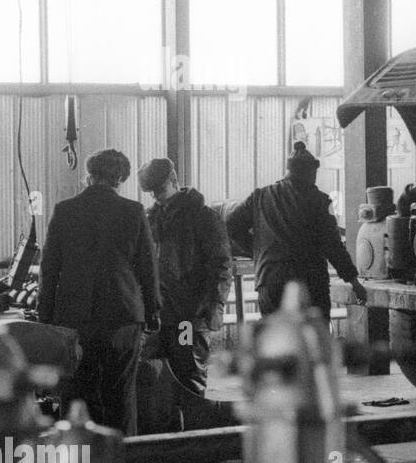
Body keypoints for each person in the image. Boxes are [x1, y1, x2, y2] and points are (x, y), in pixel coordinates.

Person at [38, 149, 160, 435]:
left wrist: (46, 317)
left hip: (75, 318)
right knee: (121, 396)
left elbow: (49, 268)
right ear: (121, 178)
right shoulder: (133, 211)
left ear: (88, 176)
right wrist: (153, 310)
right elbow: (147, 267)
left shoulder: (65, 210)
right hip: (123, 315)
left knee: (78, 392)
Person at [226, 141, 367, 319]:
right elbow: (333, 246)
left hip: (270, 282)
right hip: (309, 284)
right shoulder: (317, 200)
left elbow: (230, 225)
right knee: (313, 341)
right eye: (314, 173)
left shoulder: (260, 197)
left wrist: (258, 251)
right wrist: (354, 282)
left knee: (276, 340)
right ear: (309, 172)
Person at [137, 158, 232, 395]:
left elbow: (221, 265)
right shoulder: (152, 219)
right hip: (160, 318)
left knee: (187, 372)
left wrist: (216, 307)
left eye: (159, 190)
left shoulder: (203, 218)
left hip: (187, 319)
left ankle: (192, 428)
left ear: (173, 181)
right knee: (153, 379)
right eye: (151, 192)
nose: (155, 196)